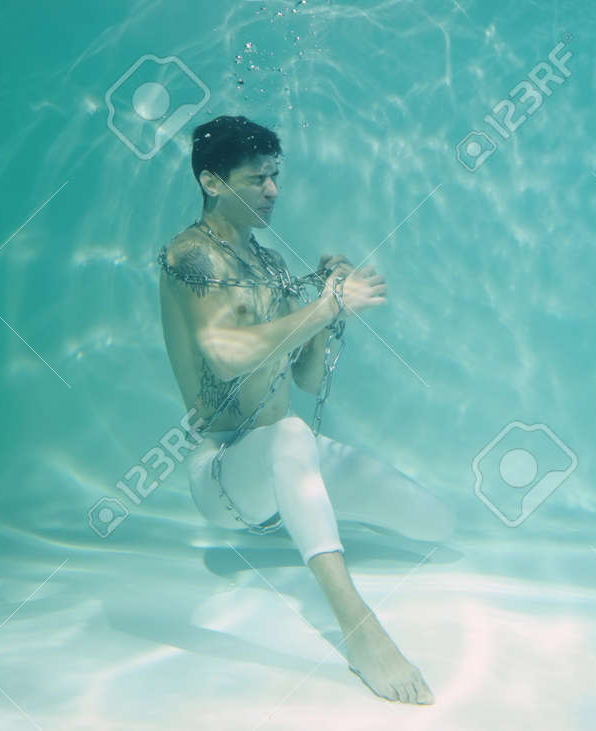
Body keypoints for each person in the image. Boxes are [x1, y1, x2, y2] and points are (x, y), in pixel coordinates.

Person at [156, 115, 455, 705]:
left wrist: (328, 306)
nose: (273, 190)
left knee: (436, 523)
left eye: (275, 176)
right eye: (257, 178)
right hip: (222, 475)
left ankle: (301, 516)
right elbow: (228, 353)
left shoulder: (267, 264)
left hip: (283, 464)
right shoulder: (190, 256)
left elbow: (309, 379)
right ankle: (361, 631)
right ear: (213, 182)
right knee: (291, 435)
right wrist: (322, 308)